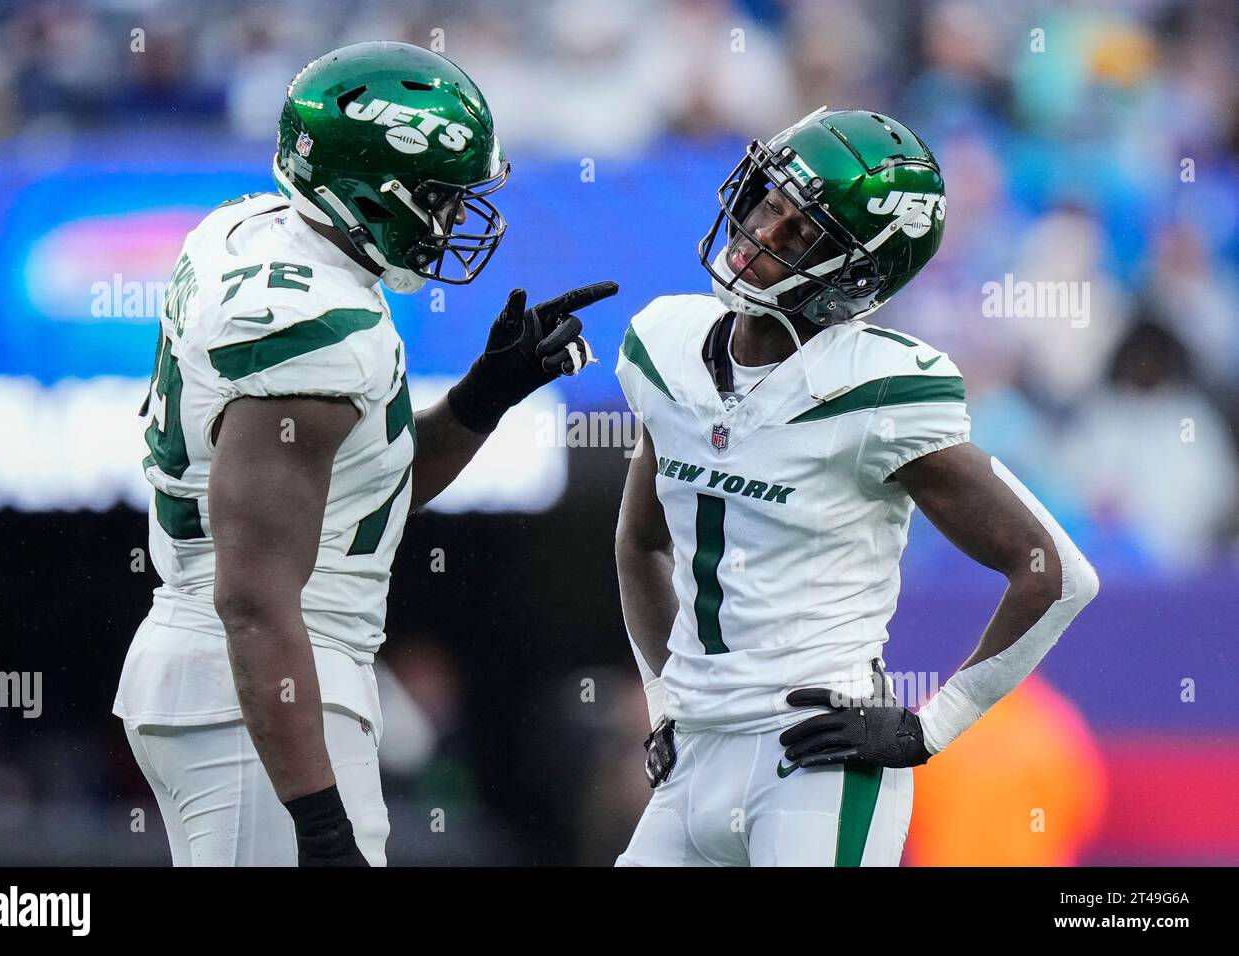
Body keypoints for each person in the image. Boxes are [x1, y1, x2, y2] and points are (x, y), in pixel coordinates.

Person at [113, 41, 616, 866]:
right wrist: (319, 823)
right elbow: (253, 599)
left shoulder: (243, 228)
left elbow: (356, 495)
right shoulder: (312, 330)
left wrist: (484, 395)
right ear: (374, 190)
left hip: (232, 681)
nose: (453, 221)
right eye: (440, 198)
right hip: (261, 685)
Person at [613, 107, 1098, 866]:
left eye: (802, 231)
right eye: (770, 202)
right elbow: (642, 543)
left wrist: (928, 729)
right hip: (694, 754)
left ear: (857, 275)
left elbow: (1057, 574)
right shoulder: (664, 345)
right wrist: (665, 699)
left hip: (814, 762)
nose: (764, 232)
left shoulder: (879, 390)